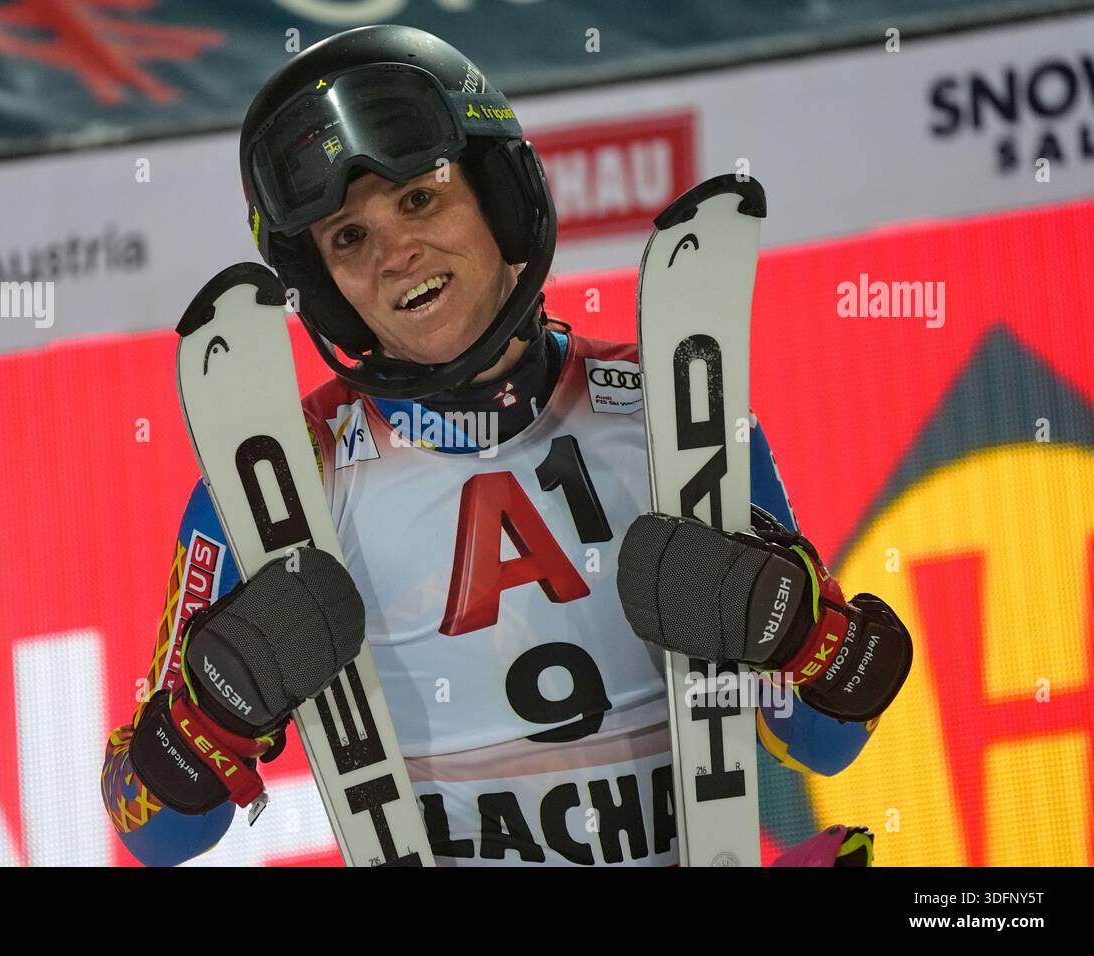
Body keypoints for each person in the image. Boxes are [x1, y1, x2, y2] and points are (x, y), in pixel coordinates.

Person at [101, 24, 911, 867]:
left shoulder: (672, 410)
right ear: (324, 293)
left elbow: (825, 739)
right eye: (347, 238)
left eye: (419, 197)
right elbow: (148, 826)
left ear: (499, 196)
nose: (394, 252)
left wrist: (793, 630)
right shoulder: (280, 476)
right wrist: (213, 714)